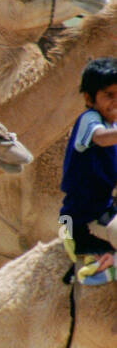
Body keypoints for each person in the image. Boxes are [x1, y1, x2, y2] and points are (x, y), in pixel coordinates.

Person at [60, 58, 117, 275]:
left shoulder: (113, 126)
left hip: (105, 211)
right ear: (89, 98)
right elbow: (101, 138)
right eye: (108, 95)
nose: (115, 101)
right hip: (83, 218)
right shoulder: (90, 119)